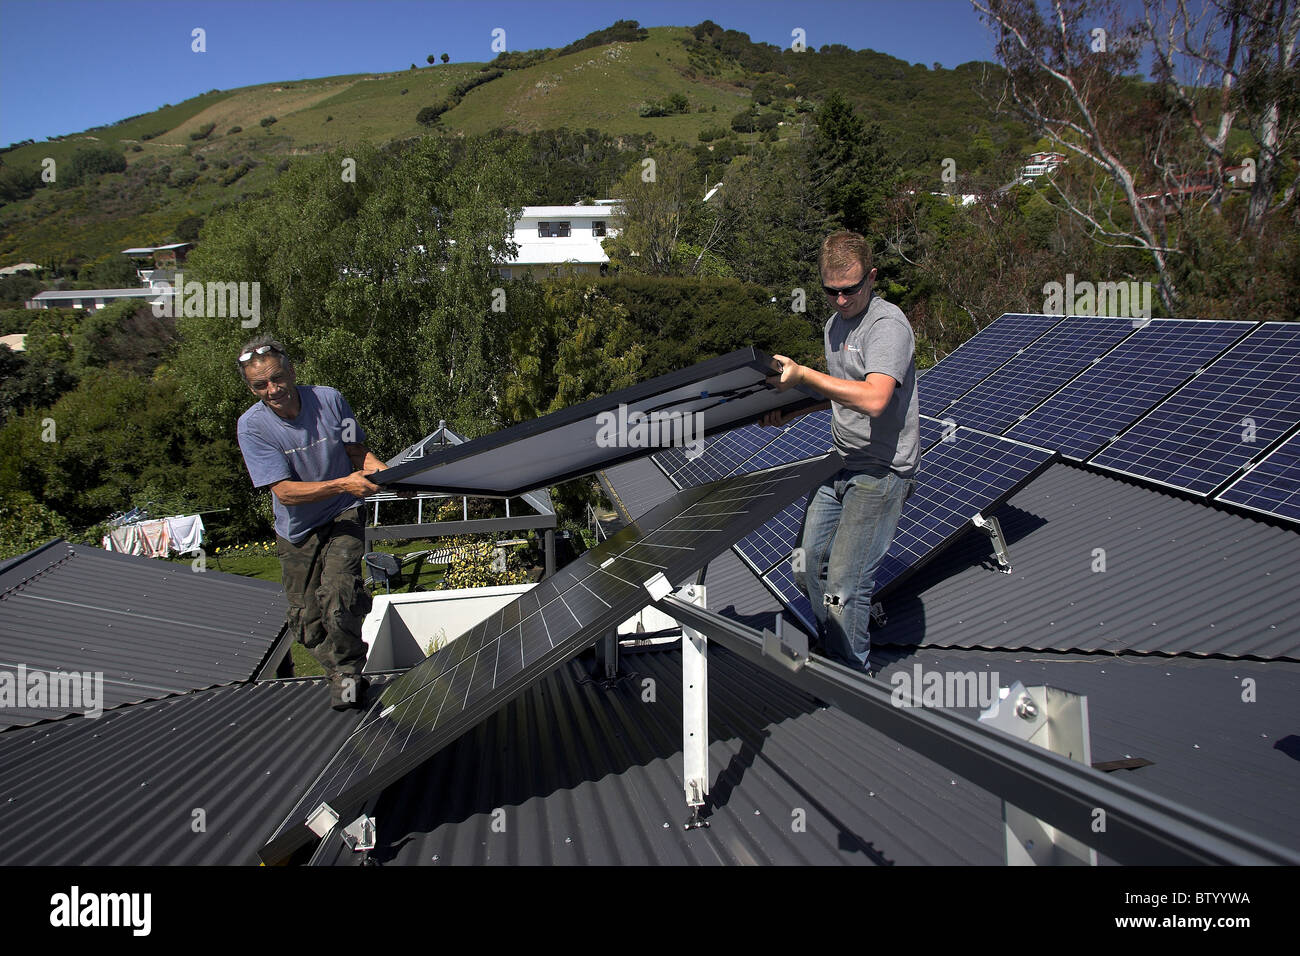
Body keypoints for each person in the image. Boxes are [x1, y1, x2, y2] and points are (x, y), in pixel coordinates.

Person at [763, 231, 919, 673]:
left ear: (872, 278)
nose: (841, 299)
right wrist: (794, 408)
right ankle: (836, 650)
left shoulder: (887, 327)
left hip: (881, 472)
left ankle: (854, 673)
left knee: (846, 584)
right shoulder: (835, 325)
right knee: (806, 565)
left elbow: (873, 398)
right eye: (831, 291)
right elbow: (842, 393)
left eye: (851, 289)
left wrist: (806, 375)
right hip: (841, 461)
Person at [235, 336, 387, 710]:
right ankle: (338, 670)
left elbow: (356, 451)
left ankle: (348, 679)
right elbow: (285, 492)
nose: (272, 390)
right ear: (251, 388)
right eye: (260, 385)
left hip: (342, 512)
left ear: (292, 372)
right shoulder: (252, 427)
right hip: (297, 529)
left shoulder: (331, 400)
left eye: (277, 378)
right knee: (306, 623)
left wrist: (386, 473)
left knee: (339, 596)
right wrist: (343, 481)